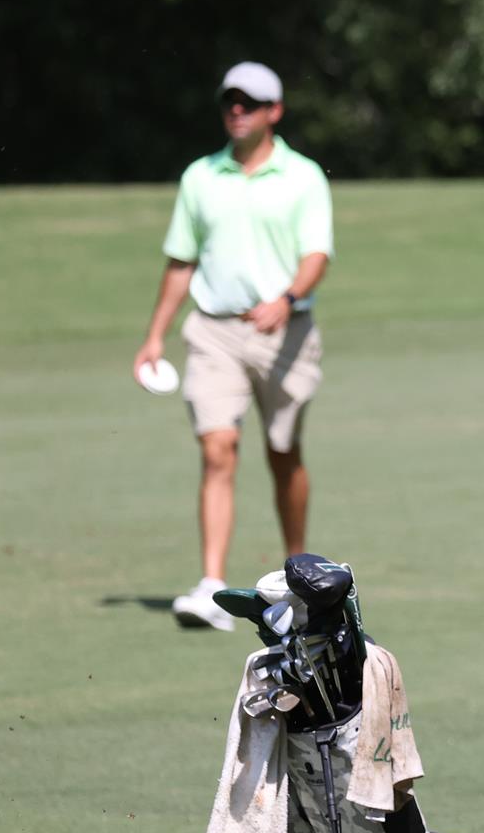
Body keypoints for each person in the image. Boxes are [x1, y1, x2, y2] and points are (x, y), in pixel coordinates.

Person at [133, 62, 334, 629]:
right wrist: (155, 336)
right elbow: (181, 259)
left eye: (250, 101)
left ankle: (301, 583)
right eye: (230, 100)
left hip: (284, 330)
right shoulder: (201, 176)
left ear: (275, 111)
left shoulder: (302, 177)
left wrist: (288, 299)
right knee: (217, 449)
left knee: (282, 453)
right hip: (213, 330)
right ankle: (212, 587)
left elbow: (316, 253)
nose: (237, 109)